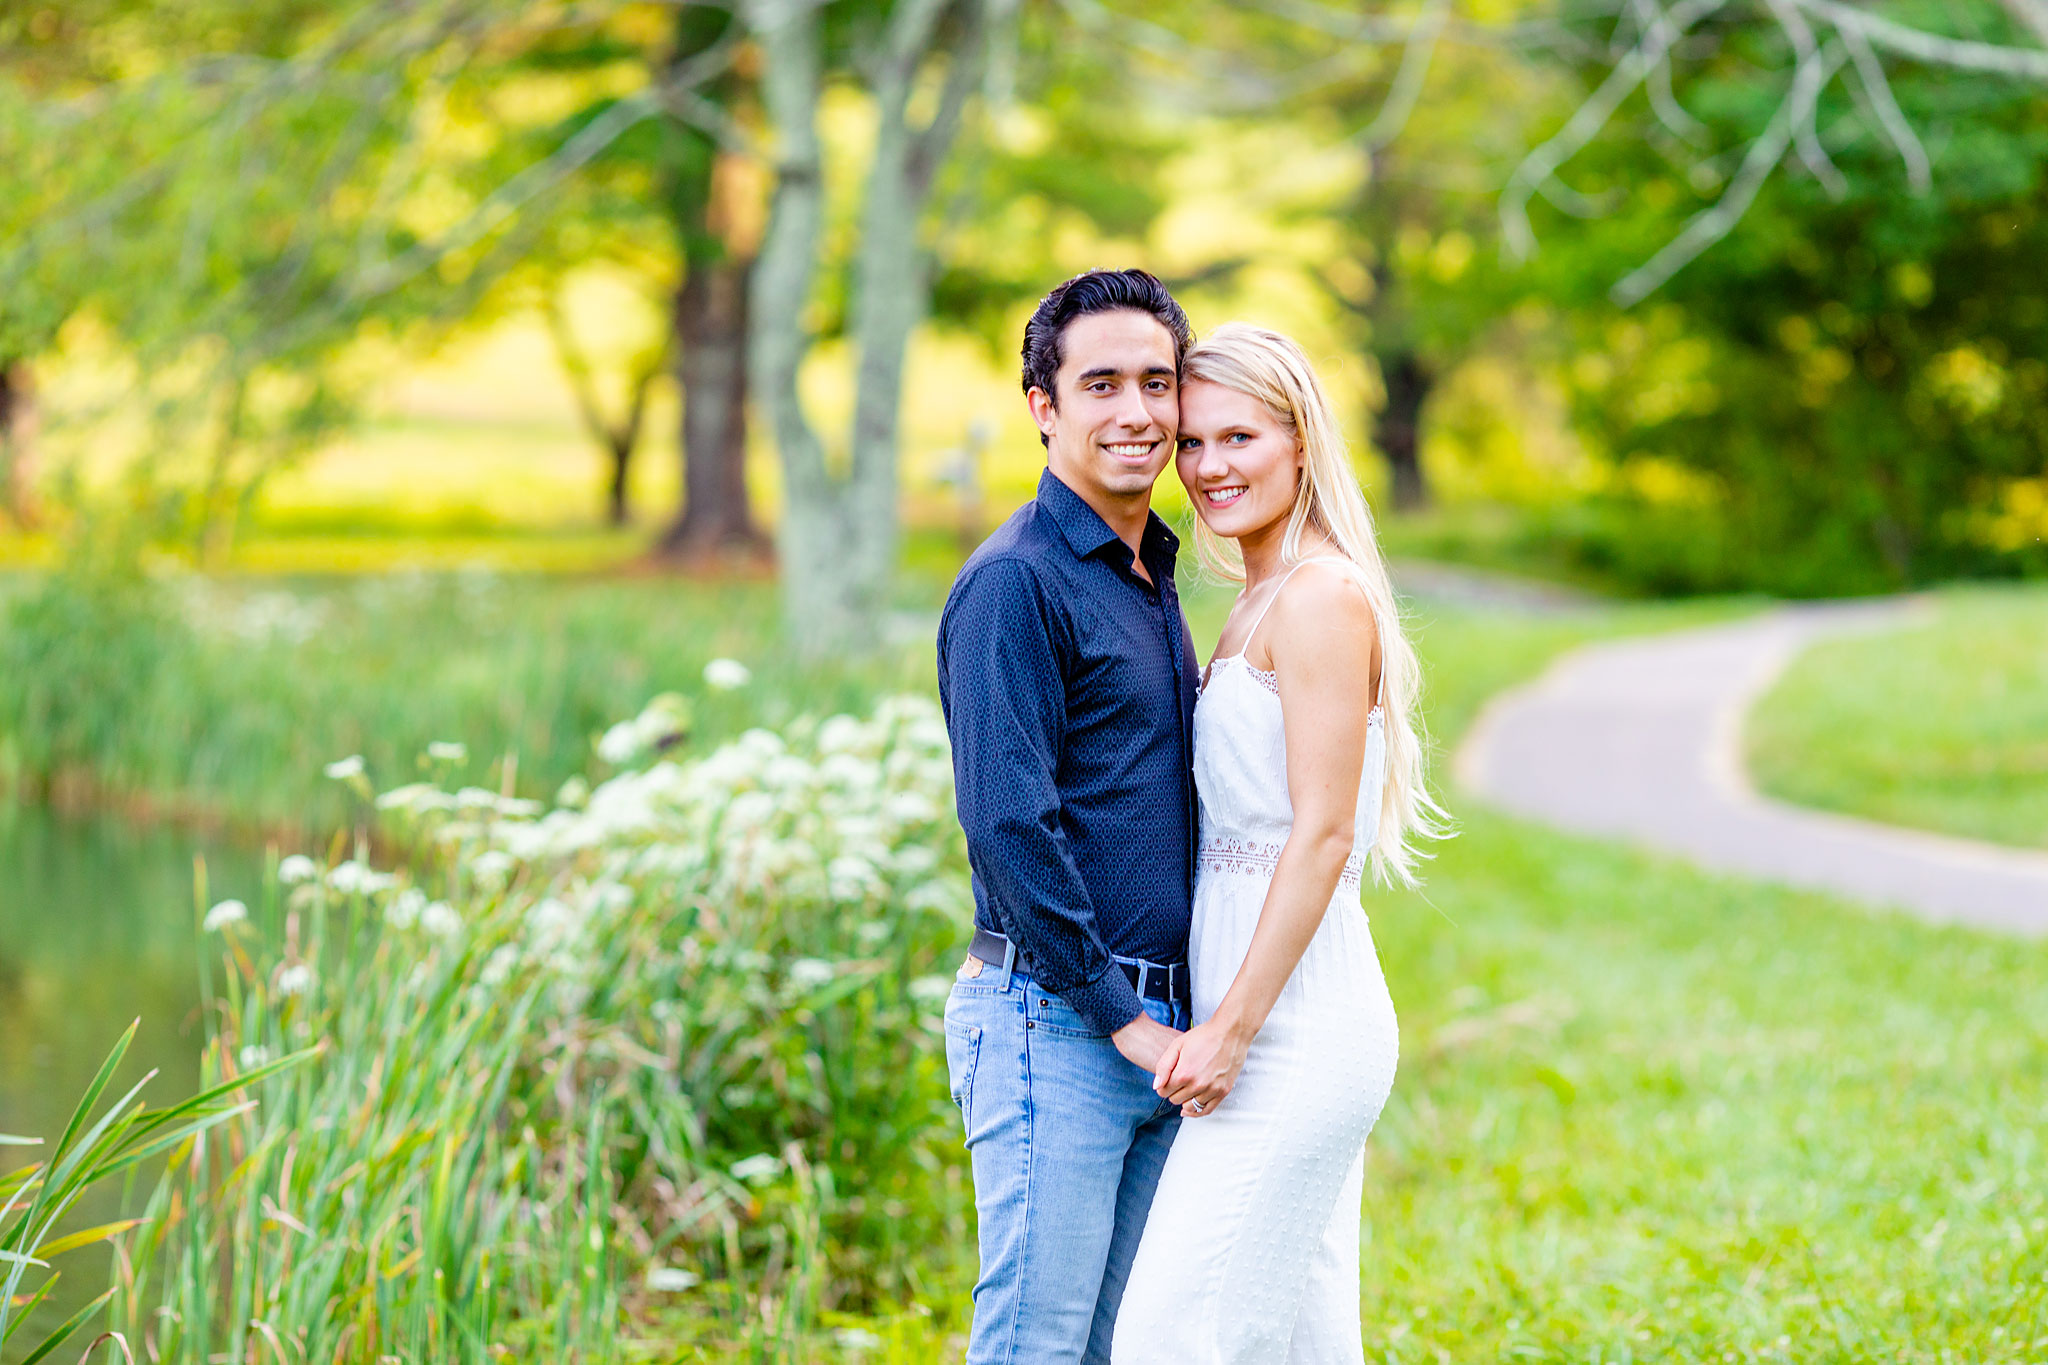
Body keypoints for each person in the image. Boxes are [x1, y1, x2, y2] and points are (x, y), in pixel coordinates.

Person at [1111, 324, 1445, 1364]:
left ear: (1299, 439)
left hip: (1293, 1029)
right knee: (1294, 1343)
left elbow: (1323, 834)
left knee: (1172, 1338)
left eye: (1238, 438)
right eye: (1193, 444)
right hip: (1246, 1018)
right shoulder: (1249, 602)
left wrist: (1232, 1031)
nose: (1209, 468)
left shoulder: (1319, 597)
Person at [935, 268, 1199, 1364]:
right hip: (1058, 1020)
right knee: (1034, 1347)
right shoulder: (1017, 584)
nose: (1134, 413)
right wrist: (1120, 1017)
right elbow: (1008, 827)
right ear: (1043, 406)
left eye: (1156, 382)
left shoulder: (1147, 567)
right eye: (1100, 384)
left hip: (1156, 1032)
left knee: (1112, 1348)